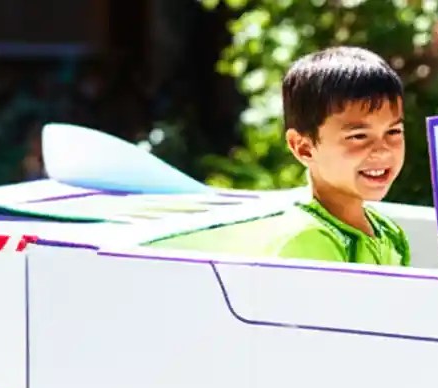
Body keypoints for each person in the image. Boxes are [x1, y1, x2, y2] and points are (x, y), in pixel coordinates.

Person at [155, 46, 410, 266]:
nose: (383, 149)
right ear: (304, 148)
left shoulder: (388, 231)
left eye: (393, 131)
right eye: (358, 136)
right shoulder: (307, 241)